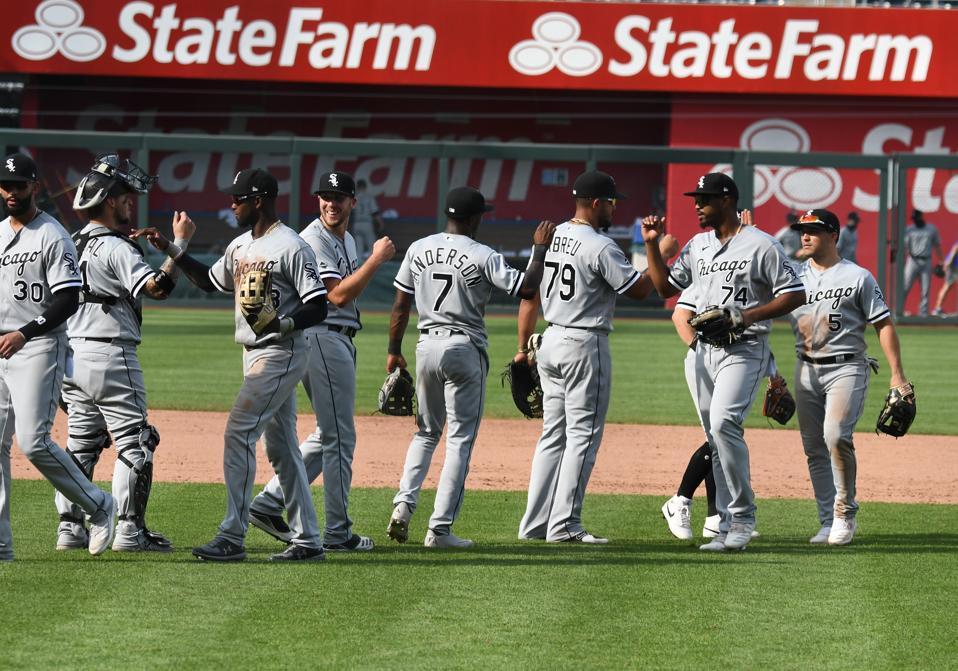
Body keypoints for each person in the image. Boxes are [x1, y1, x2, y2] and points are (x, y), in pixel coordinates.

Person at [135, 167, 329, 562]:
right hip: (253, 352)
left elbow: (319, 304)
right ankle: (308, 540)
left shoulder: (291, 246)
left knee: (238, 432)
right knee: (283, 447)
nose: (232, 203)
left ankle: (232, 535)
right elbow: (209, 280)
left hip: (281, 351)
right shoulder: (241, 246)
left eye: (238, 198)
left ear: (259, 200)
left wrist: (284, 323)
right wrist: (171, 250)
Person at [641, 172, 806, 552]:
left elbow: (795, 294)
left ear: (727, 200)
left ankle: (744, 518)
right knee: (715, 437)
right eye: (697, 199)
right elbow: (666, 288)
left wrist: (749, 315)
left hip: (745, 348)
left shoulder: (761, 245)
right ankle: (724, 522)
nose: (698, 205)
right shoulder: (698, 246)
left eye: (706, 198)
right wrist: (652, 247)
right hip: (704, 351)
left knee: (723, 424)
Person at [386, 186, 555, 549]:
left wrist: (393, 351)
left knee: (426, 433)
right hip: (464, 347)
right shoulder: (483, 254)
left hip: (425, 345)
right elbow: (526, 288)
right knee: (459, 440)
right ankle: (440, 531)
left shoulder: (418, 248)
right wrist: (539, 248)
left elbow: (400, 305)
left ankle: (403, 505)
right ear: (476, 217)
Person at [516, 170, 676, 545]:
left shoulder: (551, 236)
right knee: (583, 436)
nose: (615, 207)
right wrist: (660, 254)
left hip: (551, 339)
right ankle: (565, 525)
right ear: (596, 202)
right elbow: (638, 290)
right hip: (584, 343)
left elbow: (529, 291)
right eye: (612, 201)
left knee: (552, 436)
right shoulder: (599, 245)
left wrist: (524, 345)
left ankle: (535, 525)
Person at [248, 172, 395, 552]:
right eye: (325, 196)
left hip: (336, 339)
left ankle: (268, 502)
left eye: (339, 197)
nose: (331, 203)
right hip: (323, 336)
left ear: (352, 202)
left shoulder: (345, 238)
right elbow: (338, 296)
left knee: (327, 434)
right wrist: (377, 260)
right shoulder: (314, 238)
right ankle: (338, 532)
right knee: (341, 438)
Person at [53, 154, 180, 553]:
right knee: (136, 441)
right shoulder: (114, 247)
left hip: (71, 356)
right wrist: (181, 246)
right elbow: (158, 288)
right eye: (125, 194)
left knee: (81, 444)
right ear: (108, 199)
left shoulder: (70, 243)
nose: (131, 201)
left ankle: (70, 528)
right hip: (111, 354)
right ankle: (129, 530)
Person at [0, 153, 117, 561]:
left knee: (33, 442)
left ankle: (99, 503)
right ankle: (1, 544)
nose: (12, 192)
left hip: (38, 345)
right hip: (2, 346)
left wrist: (25, 333)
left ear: (34, 186)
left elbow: (68, 299)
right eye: (6, 185)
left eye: (19, 185)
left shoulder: (52, 234)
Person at [786, 209, 908, 546]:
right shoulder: (794, 278)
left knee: (836, 435)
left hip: (847, 367)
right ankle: (827, 519)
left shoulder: (858, 277)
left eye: (813, 230)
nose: (805, 236)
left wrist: (897, 375)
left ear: (833, 235)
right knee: (814, 448)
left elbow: (883, 324)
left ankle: (844, 513)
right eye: (802, 231)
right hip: (805, 368)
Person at [902, 209, 944, 316]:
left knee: (925, 289)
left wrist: (941, 260)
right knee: (905, 286)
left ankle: (923, 314)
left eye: (916, 217)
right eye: (913, 218)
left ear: (921, 217)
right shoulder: (909, 229)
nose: (914, 220)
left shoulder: (931, 229)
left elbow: (937, 245)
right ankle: (899, 310)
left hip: (926, 260)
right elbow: (905, 247)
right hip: (912, 260)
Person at [351, 179, 384, 260]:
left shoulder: (354, 198)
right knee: (371, 247)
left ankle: (357, 268)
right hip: (367, 224)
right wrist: (380, 223)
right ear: (365, 187)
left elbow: (349, 212)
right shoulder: (369, 197)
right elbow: (375, 212)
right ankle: (371, 268)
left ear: (357, 187)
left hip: (357, 224)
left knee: (358, 249)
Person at [932, 241, 958, 317]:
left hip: (954, 267)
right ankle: (937, 309)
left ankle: (937, 308)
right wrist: (947, 264)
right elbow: (954, 250)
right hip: (953, 267)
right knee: (947, 286)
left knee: (947, 287)